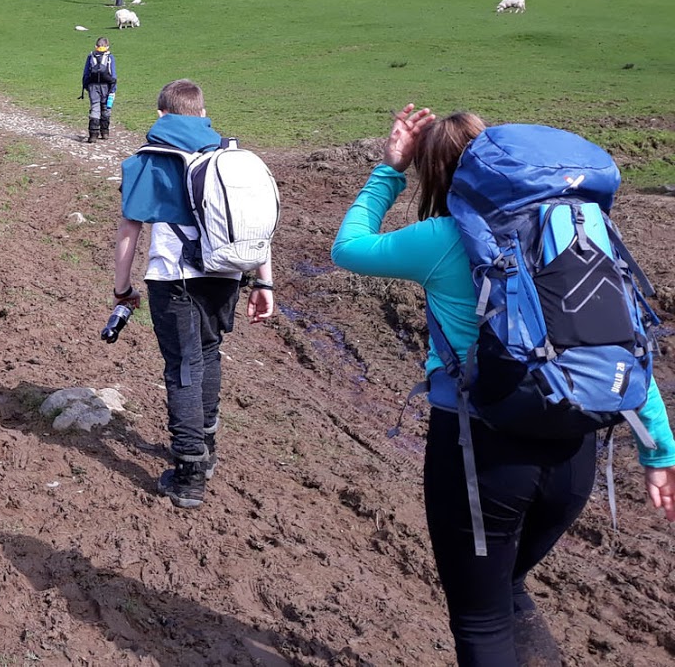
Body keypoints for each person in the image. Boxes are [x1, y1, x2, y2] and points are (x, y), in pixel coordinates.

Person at [330, 104, 675, 666]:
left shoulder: (440, 239)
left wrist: (389, 169)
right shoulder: (579, 234)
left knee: (481, 619)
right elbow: (620, 343)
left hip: (481, 454)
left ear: (437, 174)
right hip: (575, 453)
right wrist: (659, 451)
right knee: (506, 587)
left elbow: (347, 248)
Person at [112, 79, 276, 509]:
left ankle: (188, 475)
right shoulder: (227, 154)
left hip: (175, 280)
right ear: (202, 114)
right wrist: (264, 281)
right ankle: (207, 449)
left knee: (183, 369)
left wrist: (122, 288)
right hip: (227, 274)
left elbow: (130, 230)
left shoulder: (150, 160)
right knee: (207, 356)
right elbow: (256, 224)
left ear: (161, 115)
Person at [78, 37, 118, 143]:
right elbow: (113, 73)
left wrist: (86, 86)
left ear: (96, 46)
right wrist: (113, 88)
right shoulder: (110, 57)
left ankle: (93, 135)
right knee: (106, 108)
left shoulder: (91, 56)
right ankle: (105, 133)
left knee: (95, 108)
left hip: (92, 85)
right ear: (107, 46)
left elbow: (86, 72)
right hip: (107, 85)